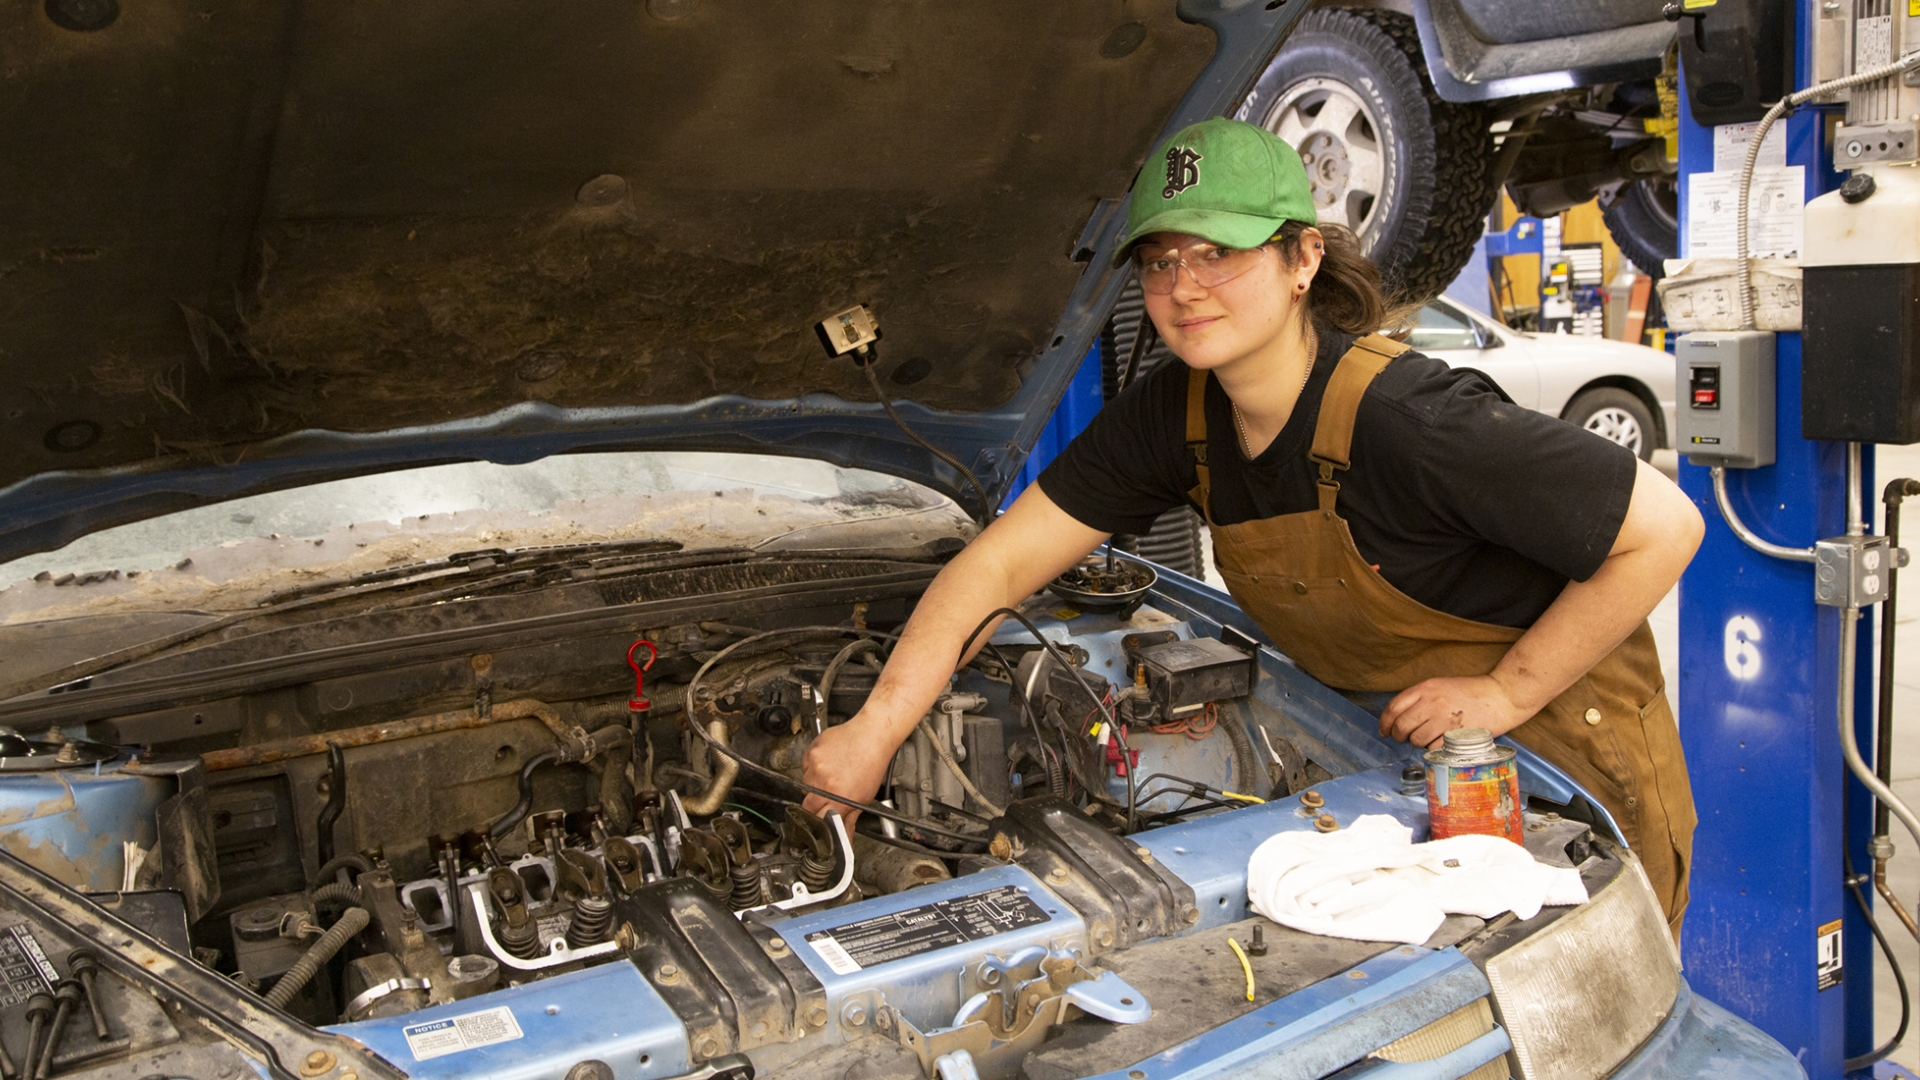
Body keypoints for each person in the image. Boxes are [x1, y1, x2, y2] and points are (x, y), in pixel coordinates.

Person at [802, 117, 1702, 930]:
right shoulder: (1177, 415)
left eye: (1217, 254)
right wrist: (875, 731)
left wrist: (1507, 692)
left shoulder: (1413, 419)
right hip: (1395, 758)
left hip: (1559, 759)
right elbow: (995, 568)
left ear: (1302, 259)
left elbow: (1664, 529)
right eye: (1160, 261)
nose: (1183, 288)